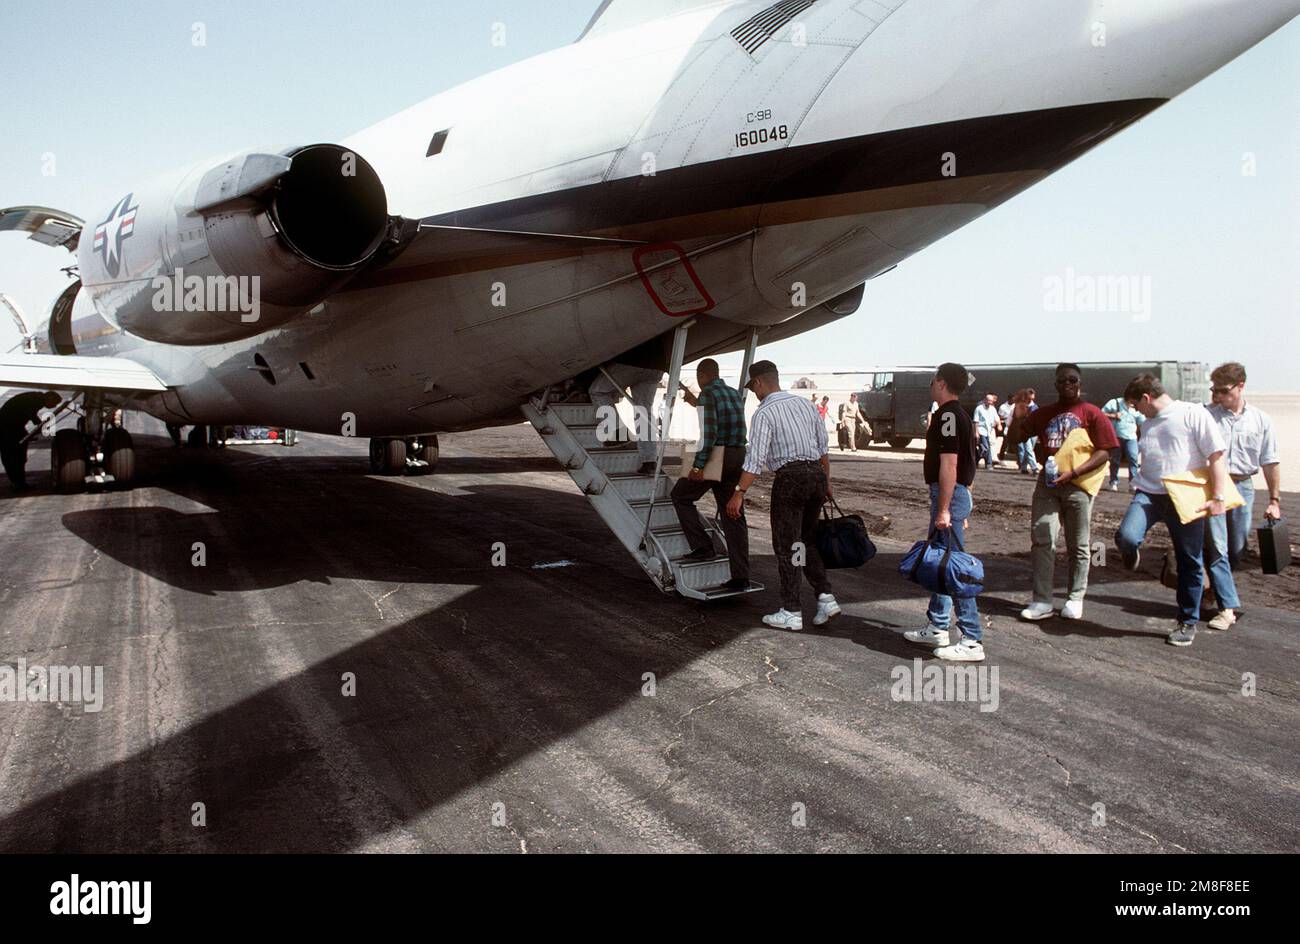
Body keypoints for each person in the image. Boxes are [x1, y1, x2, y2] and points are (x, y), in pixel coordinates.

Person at [1114, 374, 1235, 648]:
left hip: (1185, 497)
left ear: (1146, 398)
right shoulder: (1147, 423)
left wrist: (1217, 497)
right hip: (1149, 494)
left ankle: (1187, 622)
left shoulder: (1193, 414)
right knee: (1127, 537)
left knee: (1190, 560)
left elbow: (1216, 455)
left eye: (1135, 405)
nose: (1135, 411)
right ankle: (1131, 551)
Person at [725, 360, 840, 631]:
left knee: (787, 545)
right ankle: (825, 597)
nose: (754, 393)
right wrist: (826, 482)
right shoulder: (806, 405)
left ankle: (791, 610)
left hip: (791, 479)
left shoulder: (764, 413)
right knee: (806, 542)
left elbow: (755, 460)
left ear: (759, 383)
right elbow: (823, 448)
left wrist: (739, 493)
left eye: (753, 388)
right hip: (815, 476)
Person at [1019, 364, 1117, 621]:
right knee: (1042, 537)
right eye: (1062, 381)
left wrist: (1074, 473)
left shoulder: (1092, 413)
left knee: (1079, 543)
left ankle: (1075, 597)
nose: (1067, 384)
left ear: (1080, 383)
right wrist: (1019, 414)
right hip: (1048, 483)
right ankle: (1042, 600)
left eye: (1072, 380)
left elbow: (1106, 450)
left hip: (1078, 484)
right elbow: (1014, 438)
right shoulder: (1043, 414)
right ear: (1056, 385)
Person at [902, 362, 985, 661]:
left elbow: (950, 464)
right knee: (941, 562)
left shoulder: (948, 415)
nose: (930, 385)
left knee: (955, 567)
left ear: (940, 382)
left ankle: (972, 639)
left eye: (932, 381)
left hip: (948, 495)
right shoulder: (960, 415)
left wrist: (945, 509)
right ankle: (938, 626)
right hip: (955, 495)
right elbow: (970, 464)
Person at [1201, 362, 1282, 631]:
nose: (1218, 396)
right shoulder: (1207, 416)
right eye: (1215, 391)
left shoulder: (1261, 420)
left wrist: (1274, 501)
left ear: (1241, 386)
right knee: (1218, 547)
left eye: (1224, 391)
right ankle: (1228, 609)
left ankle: (1211, 587)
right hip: (1214, 487)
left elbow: (1270, 462)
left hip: (1244, 487)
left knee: (1236, 548)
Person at [672, 359, 751, 590]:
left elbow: (710, 433)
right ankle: (740, 576)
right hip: (738, 454)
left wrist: (698, 466)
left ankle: (703, 547)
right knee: (733, 514)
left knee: (680, 496)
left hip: (718, 456)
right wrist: (695, 403)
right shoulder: (734, 393)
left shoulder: (707, 393)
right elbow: (724, 419)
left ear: (702, 375)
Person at [589, 364, 662, 475]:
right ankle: (650, 462)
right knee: (643, 411)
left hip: (633, 362)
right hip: (657, 366)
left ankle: (617, 432)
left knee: (597, 391)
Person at [0, 390, 61, 491]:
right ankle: (18, 484)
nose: (54, 406)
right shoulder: (36, 400)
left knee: (13, 457)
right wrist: (38, 424)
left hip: (11, 426)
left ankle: (17, 482)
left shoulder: (35, 398)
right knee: (14, 457)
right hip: (8, 428)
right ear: (49, 398)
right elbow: (29, 412)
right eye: (54, 403)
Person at [1102, 393, 1142, 491]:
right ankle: (1113, 482)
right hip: (1116, 436)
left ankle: (1133, 483)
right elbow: (1101, 413)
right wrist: (1113, 415)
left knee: (1133, 459)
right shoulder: (1115, 402)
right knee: (1115, 460)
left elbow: (1142, 421)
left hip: (1131, 437)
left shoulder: (1136, 407)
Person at [973, 393, 1002, 470]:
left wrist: (998, 424)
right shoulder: (979, 408)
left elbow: (997, 418)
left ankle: (978, 461)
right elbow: (976, 421)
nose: (990, 402)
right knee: (986, 448)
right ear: (985, 400)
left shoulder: (992, 409)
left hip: (989, 431)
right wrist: (976, 432)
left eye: (991, 401)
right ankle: (988, 463)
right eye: (988, 400)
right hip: (981, 430)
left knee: (986, 448)